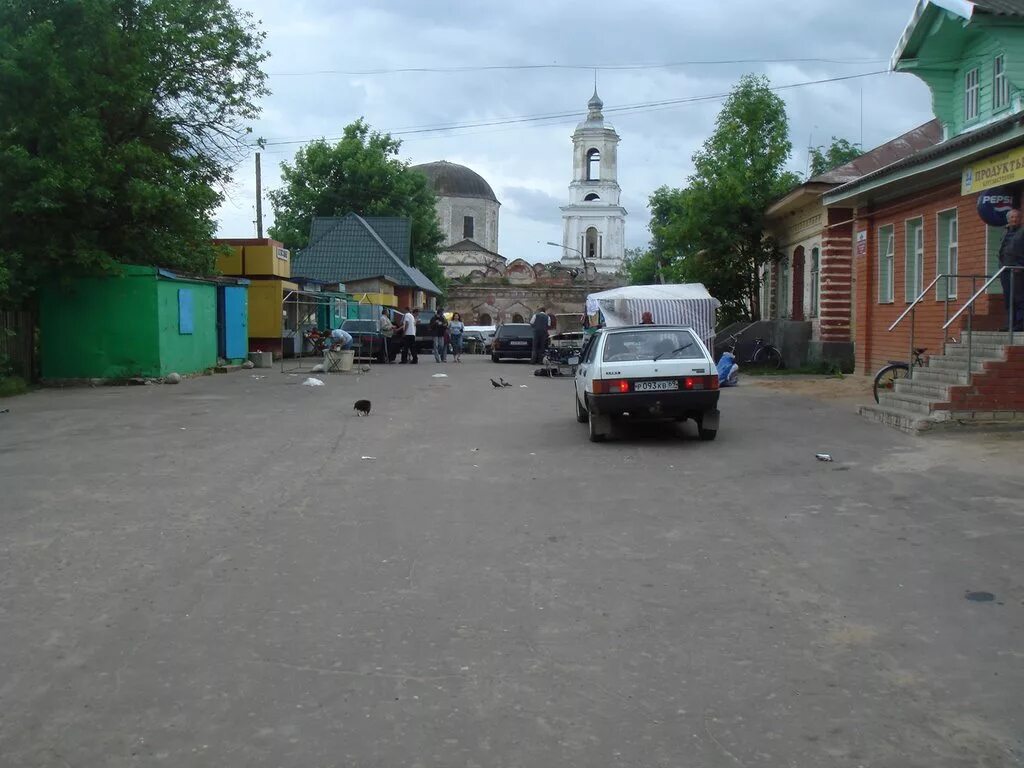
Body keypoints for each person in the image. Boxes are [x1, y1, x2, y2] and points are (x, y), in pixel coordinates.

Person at [998, 208, 1024, 331]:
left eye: (1017, 217)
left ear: (1020, 219)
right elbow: (1002, 250)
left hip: (1018, 270)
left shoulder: (1022, 231)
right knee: (1008, 298)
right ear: (1009, 219)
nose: (1015, 219)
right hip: (1005, 270)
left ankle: (1020, 324)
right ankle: (1010, 324)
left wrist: (1020, 265)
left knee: (1018, 298)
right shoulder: (1005, 231)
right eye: (1012, 217)